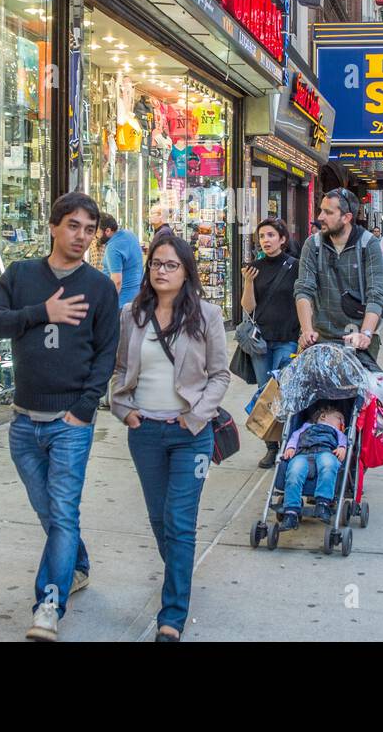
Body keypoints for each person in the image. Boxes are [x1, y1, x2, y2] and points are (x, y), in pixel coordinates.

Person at [0, 192, 120, 642]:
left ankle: (48, 605)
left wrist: (84, 409)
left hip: (69, 423)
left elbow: (106, 354)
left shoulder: (98, 288)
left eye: (89, 229)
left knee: (62, 511)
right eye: (74, 226)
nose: (82, 236)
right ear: (54, 227)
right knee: (49, 511)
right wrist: (44, 313)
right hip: (23, 422)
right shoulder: (21, 275)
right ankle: (76, 563)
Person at [111, 234, 230, 642]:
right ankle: (178, 576)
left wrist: (197, 415)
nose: (161, 271)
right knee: (160, 520)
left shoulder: (206, 315)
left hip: (189, 434)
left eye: (170, 265)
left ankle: (172, 615)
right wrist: (124, 410)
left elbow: (220, 375)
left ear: (186, 271)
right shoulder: (131, 314)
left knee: (180, 523)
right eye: (156, 264)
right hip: (144, 433)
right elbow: (119, 368)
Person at [294, 188, 383, 367]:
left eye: (328, 212)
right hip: (320, 338)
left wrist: (366, 334)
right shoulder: (312, 244)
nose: (320, 217)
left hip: (356, 339)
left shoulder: (368, 244)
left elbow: (376, 294)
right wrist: (306, 331)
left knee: (357, 393)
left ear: (346, 218)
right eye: (321, 210)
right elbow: (303, 289)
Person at [240, 218, 300, 469]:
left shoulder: (295, 266)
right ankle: (271, 447)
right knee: (265, 395)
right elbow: (248, 307)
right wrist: (248, 282)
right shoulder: (254, 268)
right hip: (261, 342)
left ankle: (287, 443)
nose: (265, 240)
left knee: (281, 393)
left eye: (271, 235)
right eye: (262, 236)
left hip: (287, 338)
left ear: (282, 239)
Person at [277, 404, 349, 530]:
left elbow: (344, 442)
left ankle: (323, 503)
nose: (343, 423)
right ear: (323, 416)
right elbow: (294, 437)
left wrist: (342, 448)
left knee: (329, 465)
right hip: (303, 453)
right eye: (339, 419)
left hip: (326, 451)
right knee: (294, 472)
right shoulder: (306, 426)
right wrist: (290, 447)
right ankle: (291, 511)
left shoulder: (338, 432)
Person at [97, 214, 143, 309]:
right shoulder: (129, 234)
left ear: (108, 231)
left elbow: (117, 281)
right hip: (135, 297)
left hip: (121, 302)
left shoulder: (113, 247)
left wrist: (107, 304)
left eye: (97, 232)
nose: (95, 236)